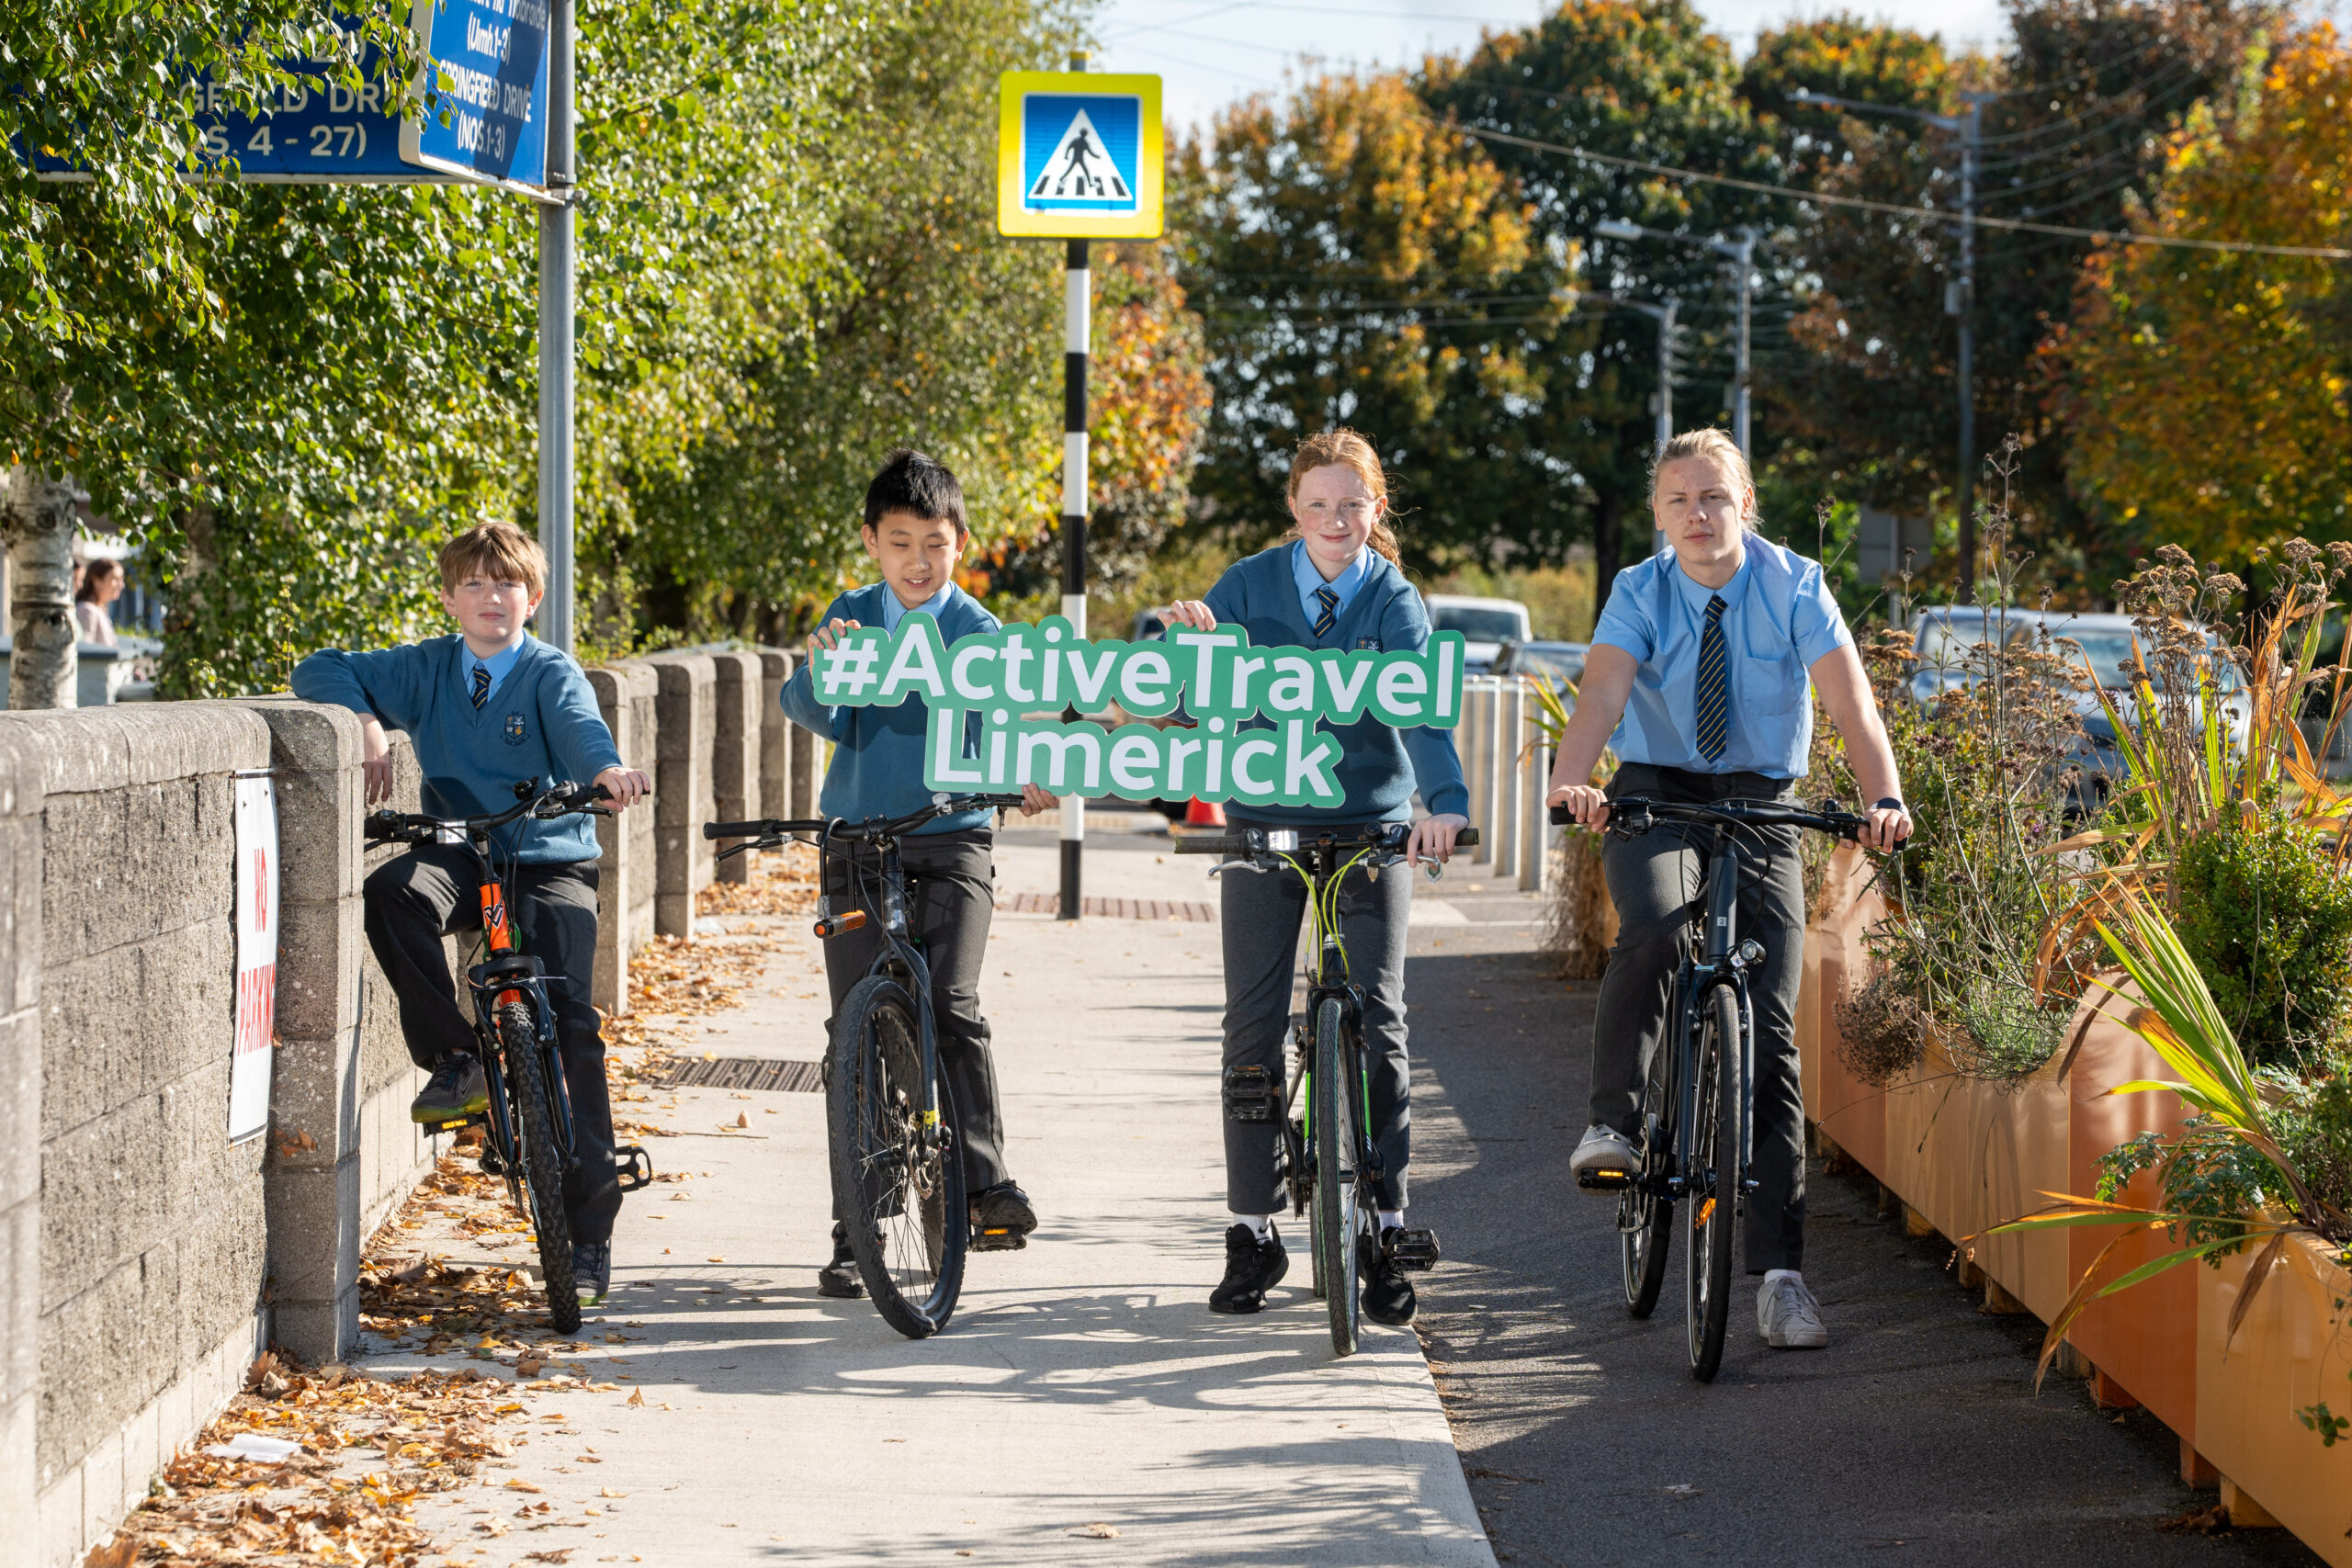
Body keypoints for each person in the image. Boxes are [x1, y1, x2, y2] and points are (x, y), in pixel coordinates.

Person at [1545, 428, 1912, 1351]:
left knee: (1773, 1026)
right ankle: (1614, 1127)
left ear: (1744, 504)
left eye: (1713, 497)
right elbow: (1599, 694)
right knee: (1659, 929)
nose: (1697, 515)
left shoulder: (1793, 585)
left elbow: (1850, 704)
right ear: (1659, 516)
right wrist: (1572, 778)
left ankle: (1780, 1279)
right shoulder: (1640, 589)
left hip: (1761, 802)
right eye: (1678, 501)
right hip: (1652, 793)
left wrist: (1883, 797)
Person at [291, 522, 652, 1307]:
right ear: (451, 597)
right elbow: (318, 666)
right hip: (463, 852)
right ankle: (460, 1059)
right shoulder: (425, 666)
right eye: (477, 585)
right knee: (394, 893)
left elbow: (586, 731)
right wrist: (365, 720)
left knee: (573, 1021)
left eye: (509, 584)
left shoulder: (550, 673)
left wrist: (609, 771)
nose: (494, 598)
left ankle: (590, 1230)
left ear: (535, 596)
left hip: (548, 854)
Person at [1162, 427, 1470, 1326]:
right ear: (1295, 511)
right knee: (1250, 1026)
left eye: (1352, 504)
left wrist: (1440, 805)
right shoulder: (1247, 586)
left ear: (1375, 510)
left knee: (1381, 1020)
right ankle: (1251, 1230)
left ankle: (1384, 1224)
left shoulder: (1394, 600)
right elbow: (1188, 707)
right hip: (1264, 822)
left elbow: (1423, 715)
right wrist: (1190, 655)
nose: (1336, 520)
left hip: (1372, 827)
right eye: (1318, 505)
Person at [780, 447, 1056, 1299]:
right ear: (872, 541)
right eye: (899, 542)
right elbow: (807, 708)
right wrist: (824, 665)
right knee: (853, 1029)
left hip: (953, 838)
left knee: (951, 1002)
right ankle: (855, 1219)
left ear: (959, 543)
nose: (917, 561)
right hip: (858, 840)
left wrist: (1027, 768)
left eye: (934, 543)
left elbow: (1011, 724)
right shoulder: (852, 619)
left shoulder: (980, 634)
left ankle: (983, 1183)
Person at [74, 558, 122, 647]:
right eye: (115, 579)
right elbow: (85, 649)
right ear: (96, 580)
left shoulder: (100, 609)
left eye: (122, 580)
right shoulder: (87, 610)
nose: (121, 585)